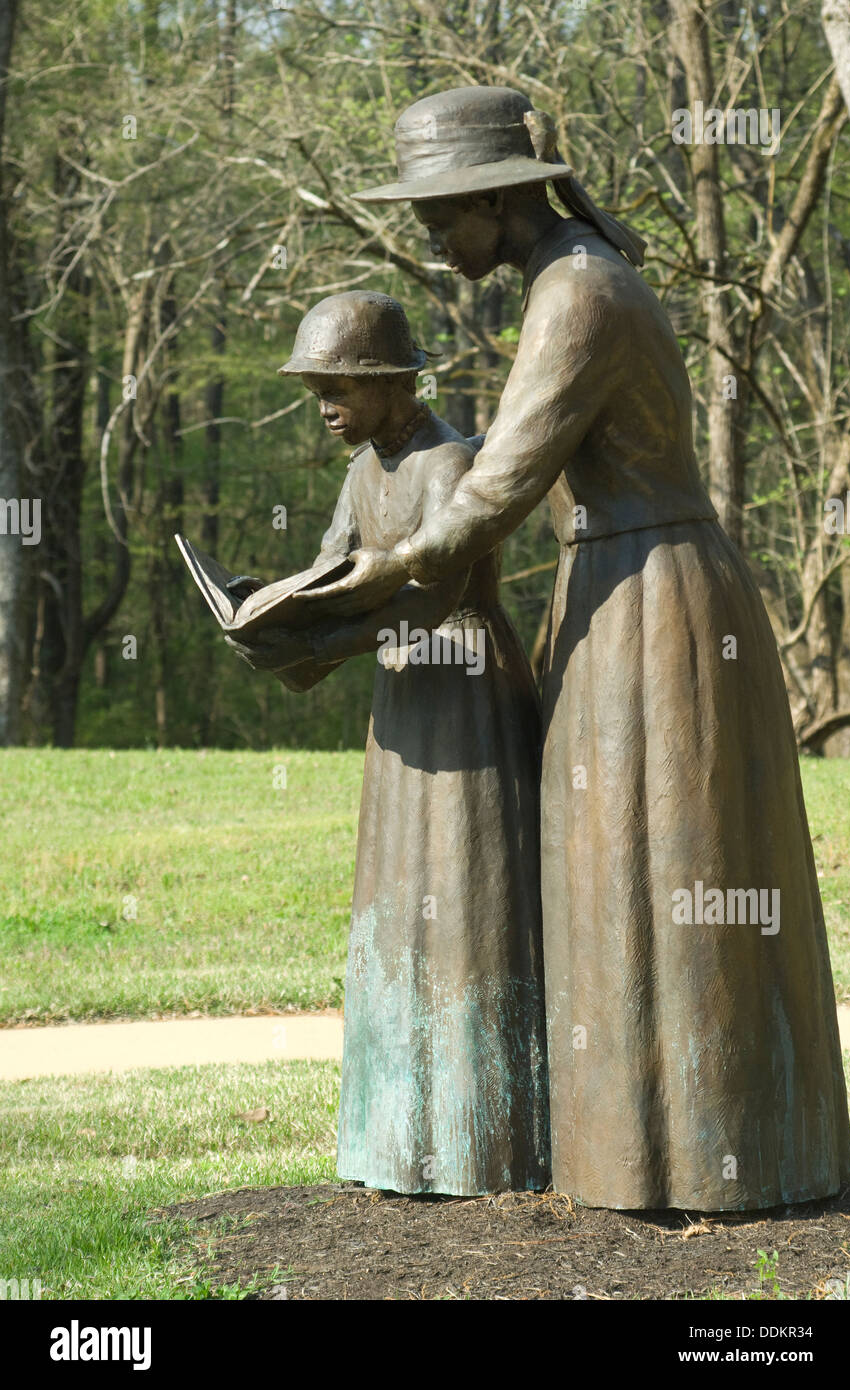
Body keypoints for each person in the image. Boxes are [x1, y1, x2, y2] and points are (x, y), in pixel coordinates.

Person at [319, 86, 850, 1210]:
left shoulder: (579, 296)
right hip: (608, 584)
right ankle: (631, 1152)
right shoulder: (563, 282)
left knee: (664, 870)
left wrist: (378, 572)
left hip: (650, 599)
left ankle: (713, 1155)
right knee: (613, 873)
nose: (429, 240)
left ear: (498, 198)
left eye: (438, 217)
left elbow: (492, 491)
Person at [227, 290, 550, 1196]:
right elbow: (335, 567)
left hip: (461, 684)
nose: (323, 406)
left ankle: (483, 1136)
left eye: (337, 387)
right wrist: (264, 608)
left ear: (389, 382)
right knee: (400, 894)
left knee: (468, 884)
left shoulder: (449, 461)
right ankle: (398, 1134)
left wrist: (321, 642)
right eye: (315, 390)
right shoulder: (362, 469)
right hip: (402, 695)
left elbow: (427, 597)